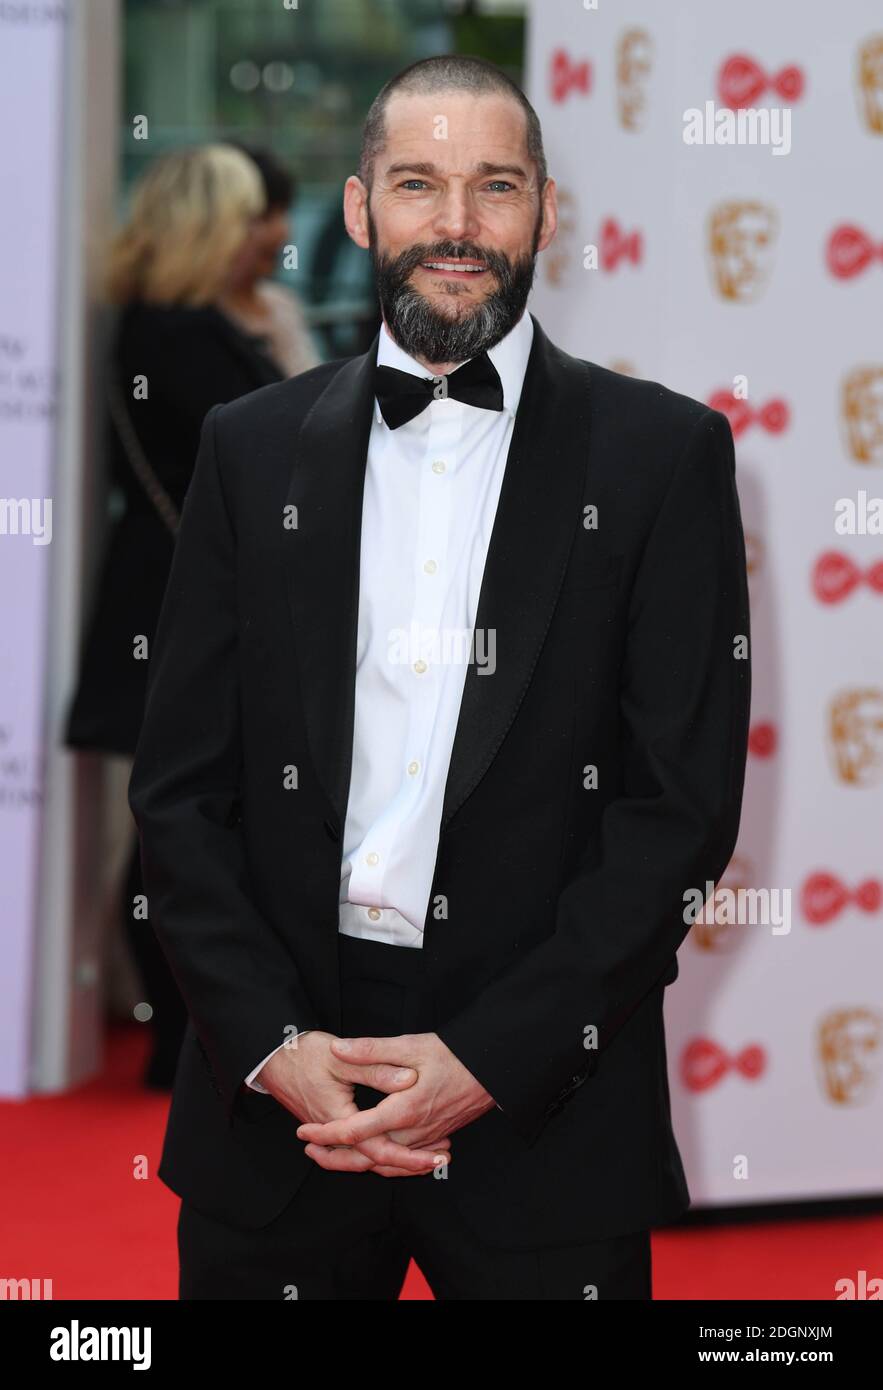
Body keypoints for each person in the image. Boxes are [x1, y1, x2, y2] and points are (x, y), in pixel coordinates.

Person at [128, 56, 751, 1300]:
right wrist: (267, 1045)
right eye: (418, 185)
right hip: (281, 1109)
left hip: (543, 1110)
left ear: (546, 213)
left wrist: (496, 1058)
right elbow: (180, 795)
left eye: (494, 187)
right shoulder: (248, 453)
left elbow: (676, 815)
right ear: (360, 210)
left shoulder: (661, 457)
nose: (456, 226)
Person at [65, 145, 291, 1087]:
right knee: (175, 822)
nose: (267, 236)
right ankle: (173, 1033)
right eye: (246, 218)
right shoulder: (169, 333)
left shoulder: (186, 325)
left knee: (186, 817)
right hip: (175, 599)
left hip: (181, 589)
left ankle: (184, 1027)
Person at [219, 144, 320, 378]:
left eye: (284, 213)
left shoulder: (282, 304)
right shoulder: (195, 322)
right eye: (264, 216)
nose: (282, 232)